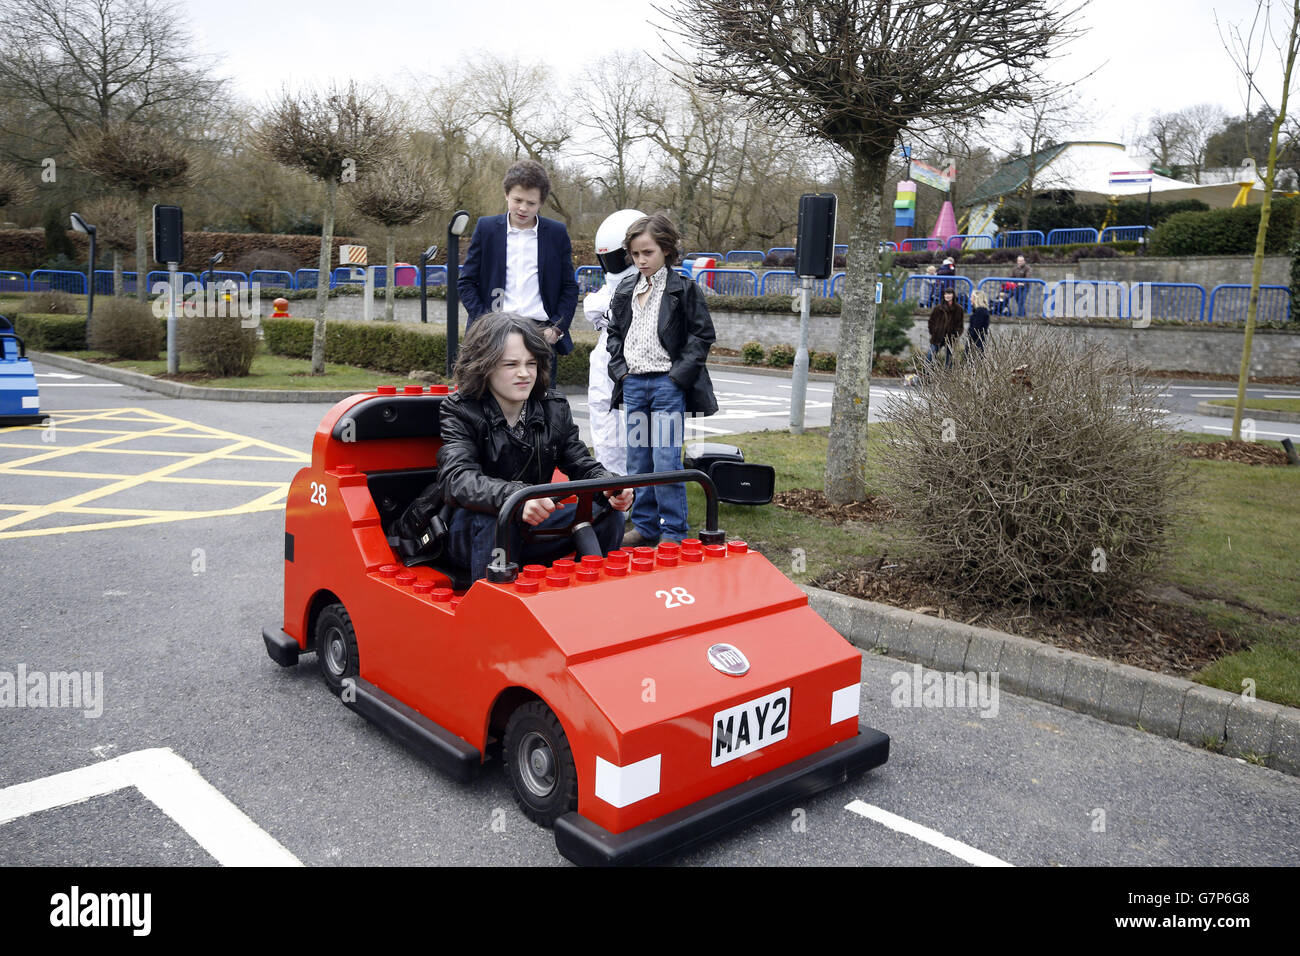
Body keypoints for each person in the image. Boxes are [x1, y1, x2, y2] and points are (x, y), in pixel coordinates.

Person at [437, 312, 632, 582]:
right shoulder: (460, 409)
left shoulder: (553, 407)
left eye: (531, 363)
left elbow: (578, 462)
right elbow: (458, 479)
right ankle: (492, 616)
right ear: (485, 365)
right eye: (510, 364)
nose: (524, 374)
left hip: (533, 524)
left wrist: (608, 485)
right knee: (497, 522)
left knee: (609, 512)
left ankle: (591, 593)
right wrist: (517, 498)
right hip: (474, 530)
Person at [605, 213, 718, 547]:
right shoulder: (626, 288)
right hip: (635, 385)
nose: (641, 260)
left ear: (666, 249)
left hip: (668, 386)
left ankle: (673, 532)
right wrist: (621, 372)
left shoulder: (683, 289)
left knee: (665, 460)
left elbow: (702, 335)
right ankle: (645, 526)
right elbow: (613, 334)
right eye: (635, 254)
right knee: (638, 461)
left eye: (648, 252)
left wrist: (677, 377)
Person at [456, 159, 578, 383]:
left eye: (531, 203)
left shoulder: (556, 233)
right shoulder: (486, 228)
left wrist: (556, 329)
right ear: (506, 195)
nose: (523, 208)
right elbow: (466, 283)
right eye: (517, 200)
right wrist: (485, 322)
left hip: (541, 333)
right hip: (495, 330)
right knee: (489, 405)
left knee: (540, 407)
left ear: (541, 202)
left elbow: (569, 286)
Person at [581, 208, 646, 474]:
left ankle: (641, 490)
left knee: (641, 432)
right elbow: (595, 305)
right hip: (606, 362)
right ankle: (612, 491)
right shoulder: (603, 297)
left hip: (640, 361)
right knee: (607, 428)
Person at [927, 287, 964, 369]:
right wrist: (934, 331)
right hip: (938, 337)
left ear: (953, 295)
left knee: (949, 360)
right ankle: (925, 376)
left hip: (951, 338)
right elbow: (931, 321)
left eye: (949, 294)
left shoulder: (958, 309)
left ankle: (947, 378)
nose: (947, 296)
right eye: (946, 294)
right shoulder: (938, 308)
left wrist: (956, 334)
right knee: (929, 356)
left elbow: (960, 325)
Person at [967, 289, 991, 354]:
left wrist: (970, 337)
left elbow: (976, 328)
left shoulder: (980, 311)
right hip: (977, 340)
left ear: (976, 298)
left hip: (976, 341)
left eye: (971, 297)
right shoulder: (980, 310)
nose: (970, 299)